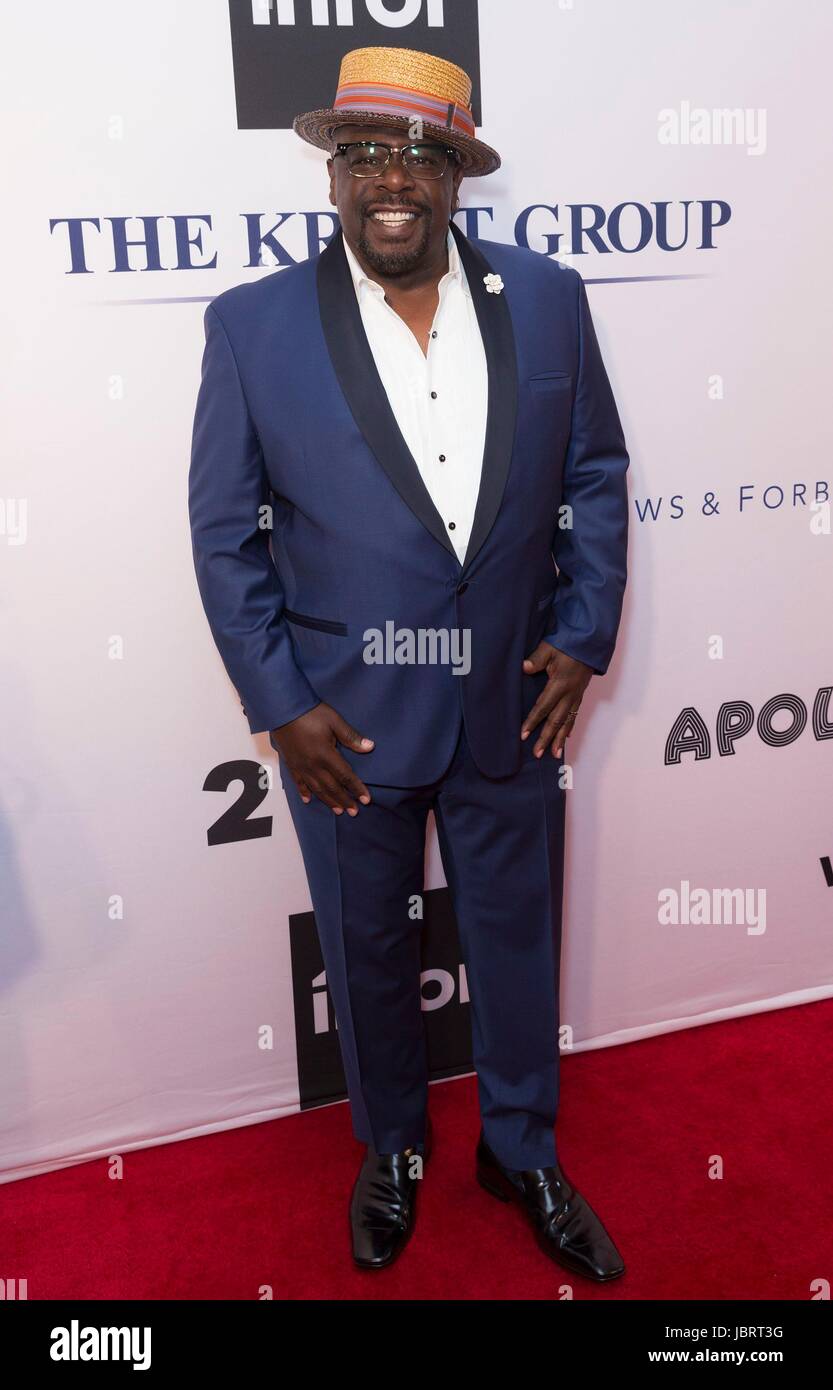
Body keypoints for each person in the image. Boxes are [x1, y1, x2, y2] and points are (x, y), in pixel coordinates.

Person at [188, 45, 630, 1282]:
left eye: (421, 155)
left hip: (510, 704)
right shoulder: (250, 326)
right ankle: (391, 1149)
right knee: (367, 954)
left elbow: (593, 472)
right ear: (332, 173)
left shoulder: (546, 298)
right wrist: (282, 707)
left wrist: (581, 637)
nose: (393, 179)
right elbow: (226, 538)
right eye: (366, 153)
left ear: (455, 176)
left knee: (516, 940)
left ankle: (519, 1147)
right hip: (345, 722)